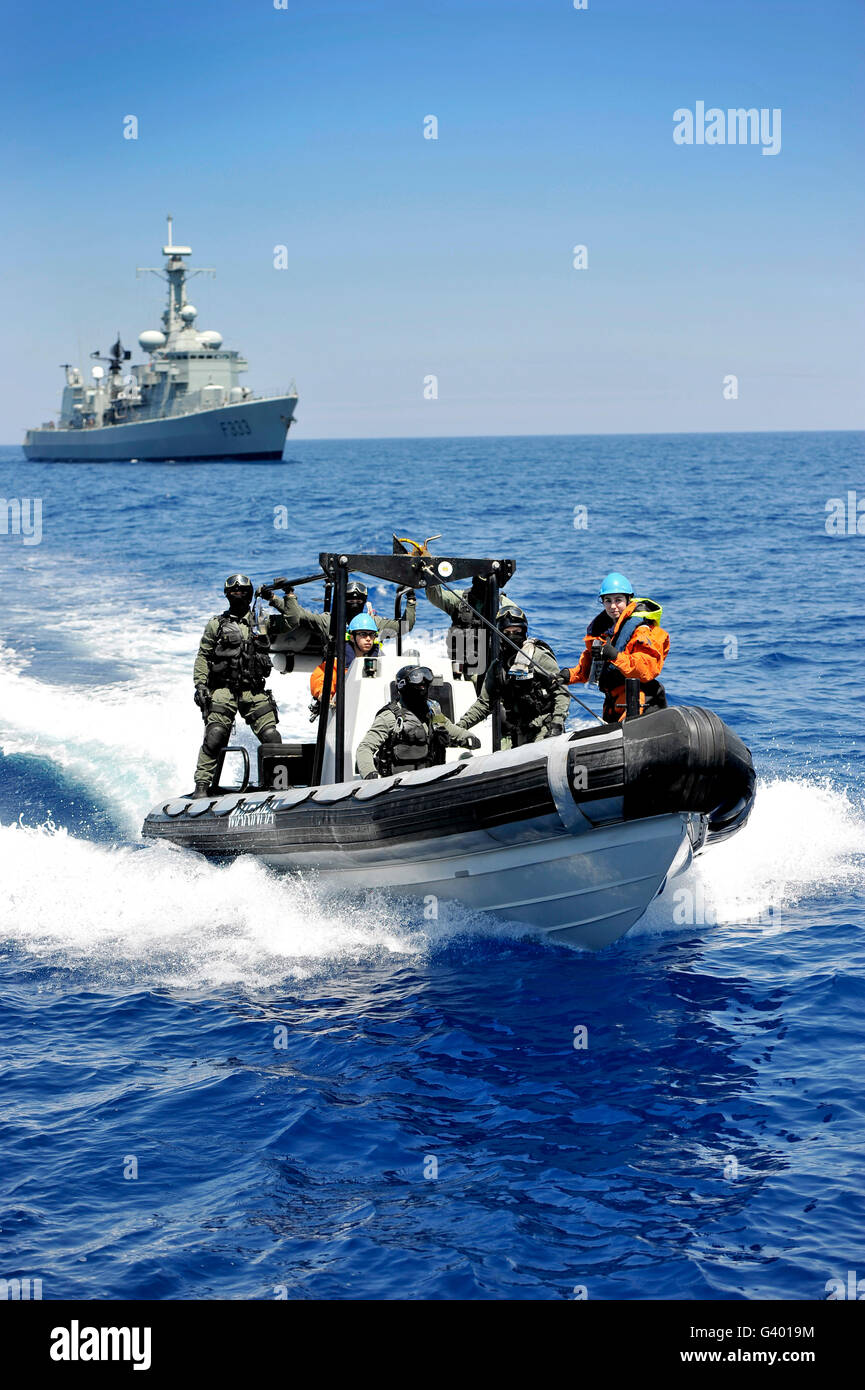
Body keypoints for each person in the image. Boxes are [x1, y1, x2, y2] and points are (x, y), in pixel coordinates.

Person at [191, 574, 283, 796]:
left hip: (254, 691)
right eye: (233, 591)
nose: (238, 594)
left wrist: (279, 597)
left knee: (272, 737)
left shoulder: (262, 622)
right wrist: (200, 685)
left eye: (243, 591)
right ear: (226, 595)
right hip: (224, 690)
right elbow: (203, 656)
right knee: (215, 735)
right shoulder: (217, 625)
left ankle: (277, 785)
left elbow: (293, 619)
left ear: (250, 594)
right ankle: (202, 786)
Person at [559, 571, 669, 723]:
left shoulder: (642, 629)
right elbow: (589, 668)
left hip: (640, 699)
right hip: (613, 702)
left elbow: (645, 670)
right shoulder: (603, 632)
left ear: (628, 600)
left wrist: (615, 656)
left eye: (618, 600)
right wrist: (568, 676)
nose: (613, 606)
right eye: (608, 601)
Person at [455, 606, 570, 747]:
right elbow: (484, 703)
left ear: (524, 631)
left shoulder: (538, 657)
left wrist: (557, 723)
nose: (512, 636)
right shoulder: (498, 667)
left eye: (516, 632)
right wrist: (459, 727)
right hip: (518, 731)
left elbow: (561, 692)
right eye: (507, 632)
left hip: (544, 728)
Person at [355, 665, 481, 778]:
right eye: (419, 685)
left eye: (425, 686)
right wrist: (370, 774)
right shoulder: (390, 716)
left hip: (430, 779)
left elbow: (447, 726)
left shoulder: (432, 711)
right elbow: (365, 748)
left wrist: (467, 737)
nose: (423, 689)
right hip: (397, 785)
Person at [425, 573, 519, 685]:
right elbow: (436, 596)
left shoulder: (501, 603)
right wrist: (429, 575)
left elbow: (517, 625)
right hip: (467, 662)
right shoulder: (460, 599)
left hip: (494, 662)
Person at [261, 578, 416, 644]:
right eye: (350, 600)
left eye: (358, 600)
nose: (355, 603)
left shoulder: (373, 622)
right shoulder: (329, 621)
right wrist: (273, 598)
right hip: (337, 672)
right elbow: (299, 616)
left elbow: (404, 626)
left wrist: (411, 599)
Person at [310, 612, 379, 705]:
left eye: (372, 634)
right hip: (344, 711)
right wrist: (323, 693)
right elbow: (321, 677)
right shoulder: (338, 664)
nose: (368, 638)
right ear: (351, 637)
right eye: (363, 634)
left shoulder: (380, 663)